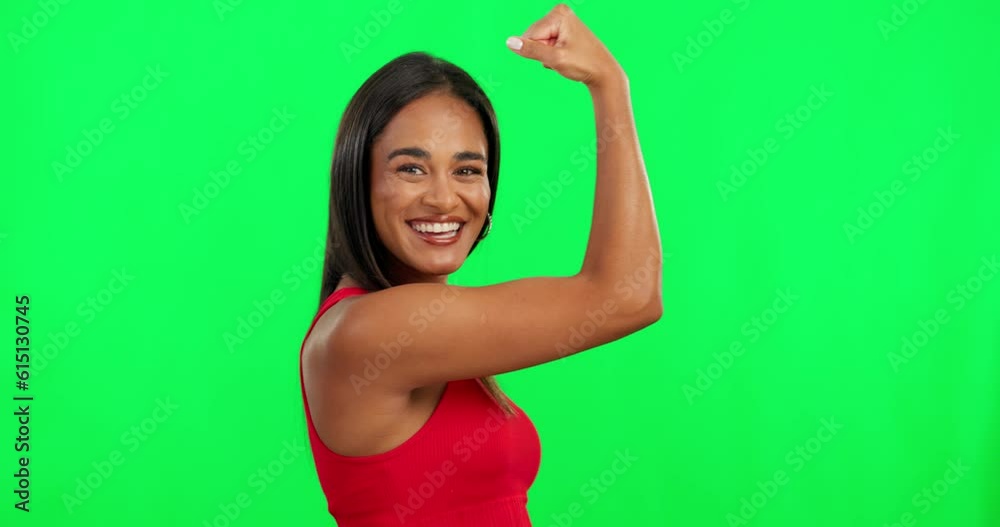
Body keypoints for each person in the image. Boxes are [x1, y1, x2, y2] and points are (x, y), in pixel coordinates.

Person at [298, 4, 662, 525]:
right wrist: (609, 85)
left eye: (467, 169)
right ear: (358, 179)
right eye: (411, 168)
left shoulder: (426, 326)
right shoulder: (366, 331)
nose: (445, 199)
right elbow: (628, 294)